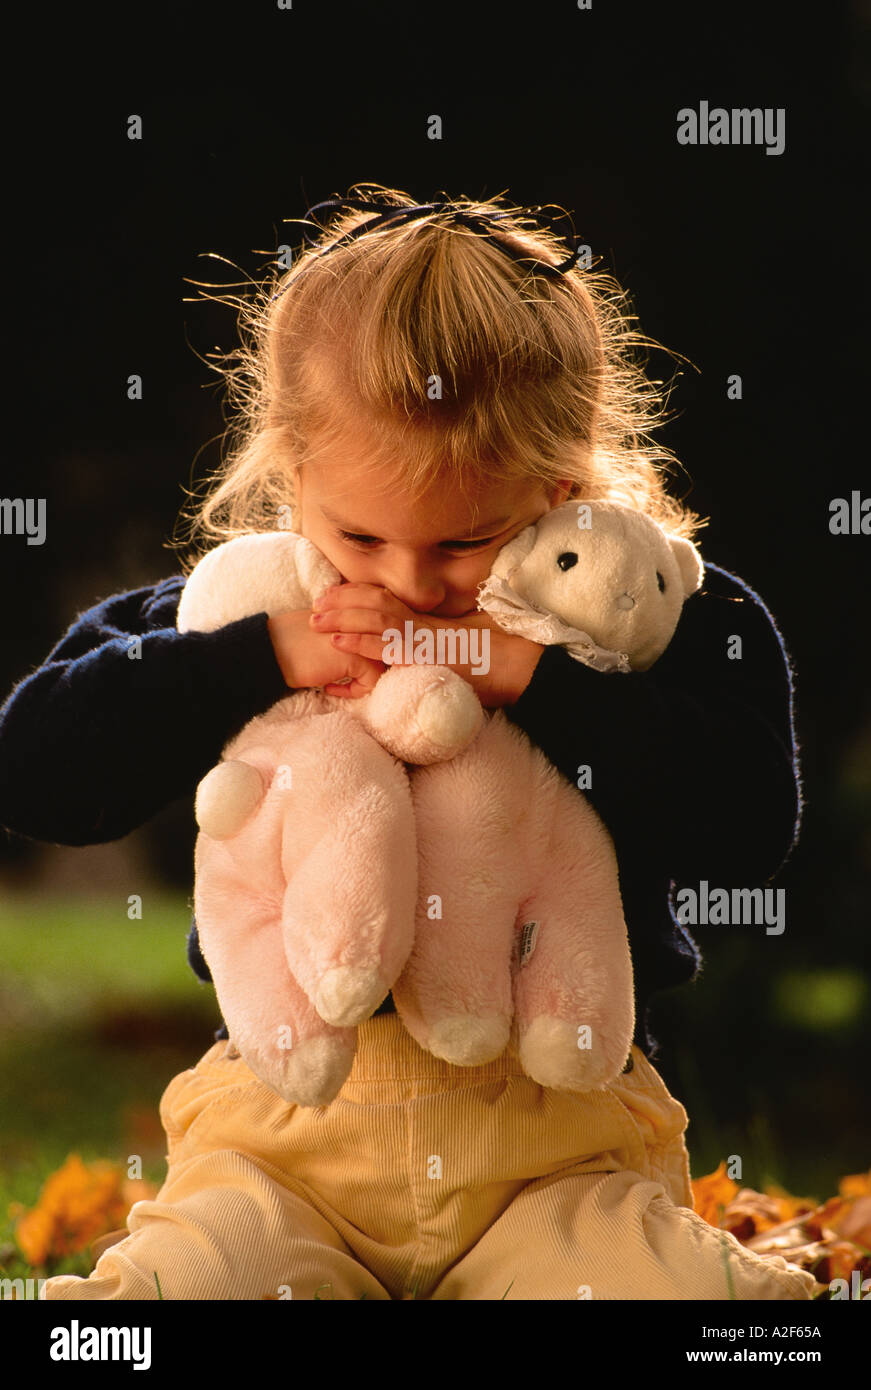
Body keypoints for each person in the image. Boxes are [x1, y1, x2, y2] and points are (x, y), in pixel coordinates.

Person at [0, 184, 817, 1300]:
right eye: (360, 534)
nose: (411, 583)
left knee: (680, 1300)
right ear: (292, 476)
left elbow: (745, 826)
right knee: (183, 1292)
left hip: (560, 1151)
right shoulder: (243, 609)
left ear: (563, 482)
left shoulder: (655, 618)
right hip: (287, 1143)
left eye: (468, 541)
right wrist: (257, 661)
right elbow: (37, 772)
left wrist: (529, 674)